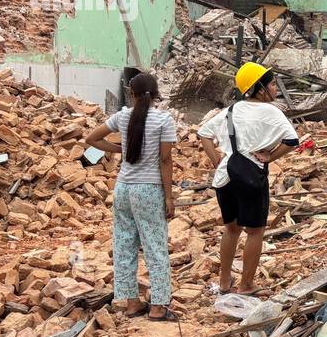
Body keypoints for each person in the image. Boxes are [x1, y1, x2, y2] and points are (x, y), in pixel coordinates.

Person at [197, 63, 299, 296]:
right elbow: (292, 141)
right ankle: (246, 284)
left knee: (231, 229)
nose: (275, 89)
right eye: (272, 84)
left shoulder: (231, 111)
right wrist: (269, 157)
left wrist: (217, 162)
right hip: (251, 176)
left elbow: (203, 133)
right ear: (259, 88)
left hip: (227, 176)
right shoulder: (272, 112)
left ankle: (224, 282)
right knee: (255, 232)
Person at [83, 73, 177, 320]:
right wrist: (169, 196)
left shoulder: (122, 117)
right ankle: (158, 305)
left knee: (124, 244)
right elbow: (165, 159)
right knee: (154, 246)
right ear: (156, 94)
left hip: (123, 188)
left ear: (131, 93)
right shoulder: (163, 120)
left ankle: (132, 302)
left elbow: (91, 138)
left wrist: (119, 149)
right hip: (148, 189)